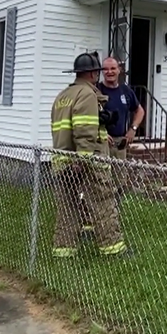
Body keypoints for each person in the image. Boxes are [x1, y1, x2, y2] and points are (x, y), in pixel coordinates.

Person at [49, 52, 127, 258]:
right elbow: (84, 130)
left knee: (67, 208)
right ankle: (113, 250)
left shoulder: (62, 96)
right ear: (93, 73)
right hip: (86, 162)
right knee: (103, 203)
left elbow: (67, 128)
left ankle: (64, 251)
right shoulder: (86, 94)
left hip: (62, 161)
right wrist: (82, 160)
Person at [97, 57, 146, 161]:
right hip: (102, 143)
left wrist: (133, 129)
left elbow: (140, 111)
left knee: (120, 177)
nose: (109, 72)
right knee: (102, 176)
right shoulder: (96, 90)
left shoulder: (126, 90)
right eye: (105, 69)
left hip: (120, 144)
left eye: (113, 68)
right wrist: (101, 133)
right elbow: (88, 116)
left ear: (119, 70)